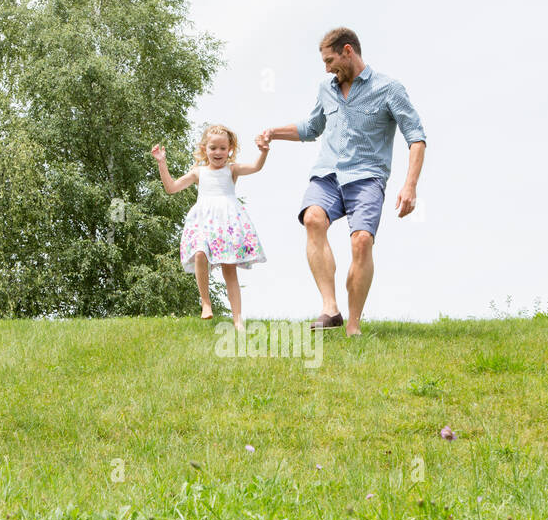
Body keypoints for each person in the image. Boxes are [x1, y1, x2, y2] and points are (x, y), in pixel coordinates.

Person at [258, 27, 426, 336]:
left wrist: (410, 185)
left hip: (367, 176)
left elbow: (416, 137)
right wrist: (273, 133)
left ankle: (353, 324)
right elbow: (311, 127)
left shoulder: (389, 89)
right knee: (312, 218)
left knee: (361, 242)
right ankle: (330, 309)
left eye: (330, 60)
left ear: (348, 51)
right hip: (328, 174)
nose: (326, 68)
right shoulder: (327, 89)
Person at [151, 125, 269, 331]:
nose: (218, 153)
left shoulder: (232, 169)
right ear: (205, 148)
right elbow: (171, 188)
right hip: (204, 221)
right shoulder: (199, 172)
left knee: (229, 269)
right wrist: (162, 163)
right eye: (213, 148)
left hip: (227, 222)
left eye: (223, 148)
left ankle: (238, 320)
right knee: (199, 254)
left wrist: (263, 152)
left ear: (230, 149)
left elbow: (256, 167)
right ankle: (205, 302)